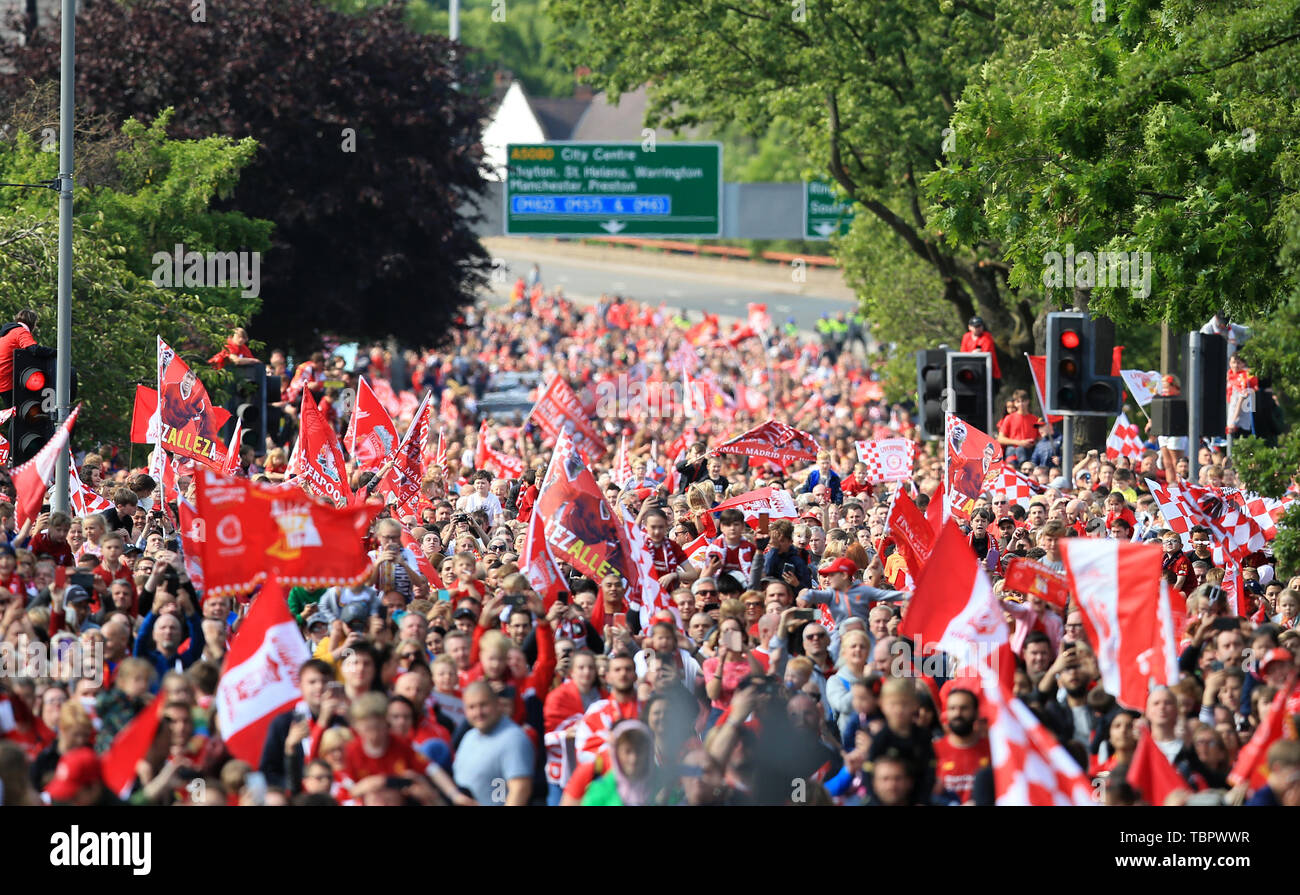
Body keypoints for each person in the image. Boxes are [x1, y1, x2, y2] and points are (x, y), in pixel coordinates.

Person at [452, 681, 534, 805]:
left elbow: (520, 789)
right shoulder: (469, 736)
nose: (478, 712)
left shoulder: (513, 738)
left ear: (497, 704)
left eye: (483, 705)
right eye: (471, 707)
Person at [0, 308, 36, 408]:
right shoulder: (20, 331)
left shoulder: (7, 333)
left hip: (2, 379)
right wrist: (58, 353)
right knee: (21, 415)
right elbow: (33, 349)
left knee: (14, 414)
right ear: (33, 324)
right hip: (7, 382)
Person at [960, 315, 1001, 388]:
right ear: (969, 327)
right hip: (970, 373)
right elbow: (963, 352)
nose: (978, 328)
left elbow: (985, 353)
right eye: (976, 327)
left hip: (988, 373)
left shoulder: (987, 336)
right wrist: (972, 353)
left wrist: (972, 354)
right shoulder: (966, 336)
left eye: (980, 326)